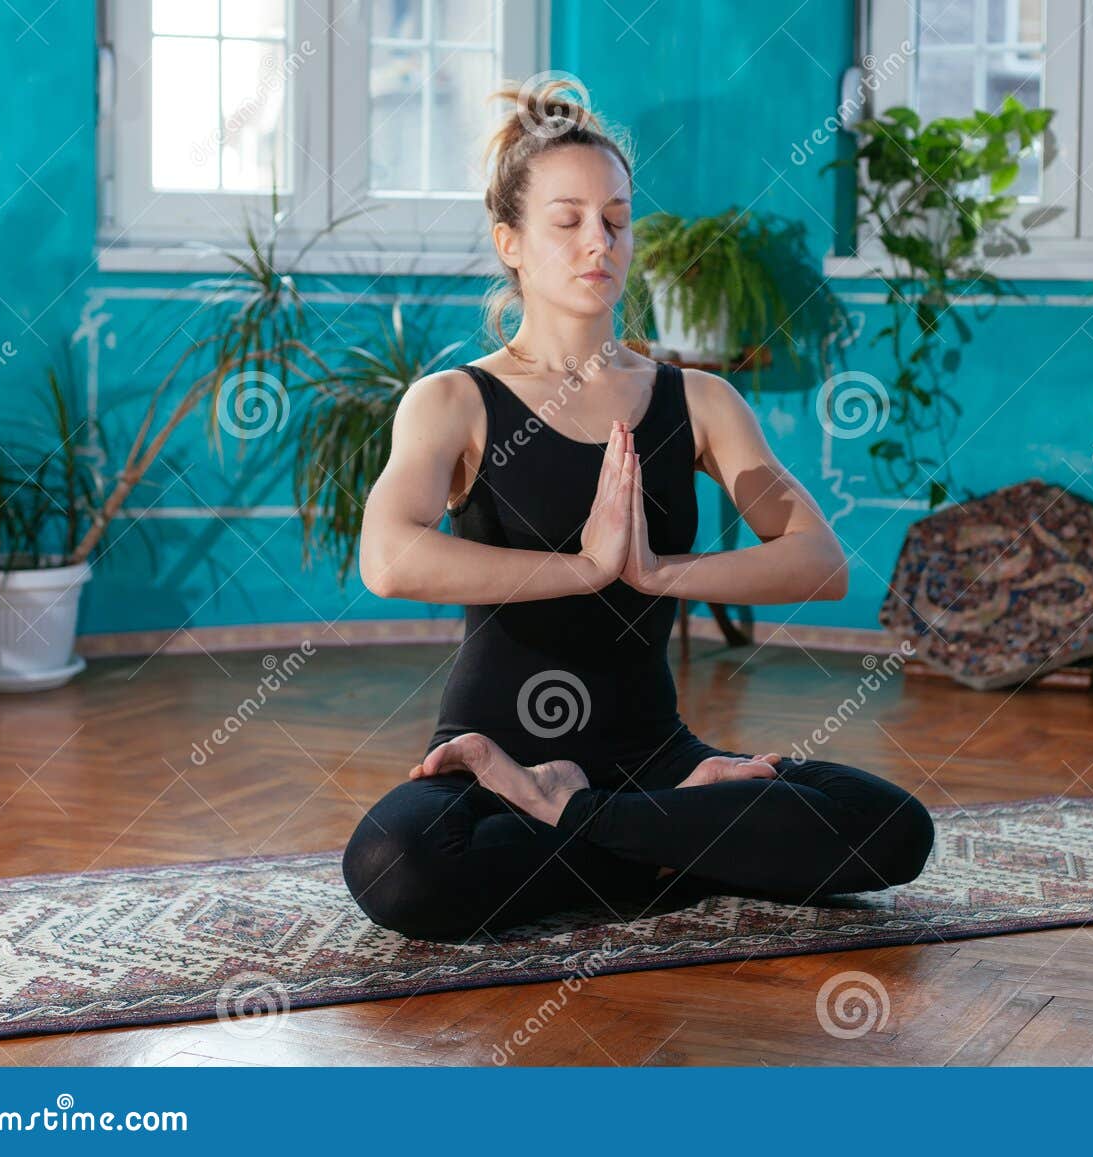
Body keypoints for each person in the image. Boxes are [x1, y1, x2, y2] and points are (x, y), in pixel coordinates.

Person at [341, 78, 935, 941]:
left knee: (894, 827)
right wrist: (583, 568)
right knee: (398, 865)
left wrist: (659, 572)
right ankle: (665, 846)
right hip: (495, 760)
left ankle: (583, 821)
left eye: (616, 218)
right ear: (511, 241)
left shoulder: (697, 400)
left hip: (657, 761)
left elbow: (819, 558)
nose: (599, 241)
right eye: (569, 218)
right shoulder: (454, 401)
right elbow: (388, 557)